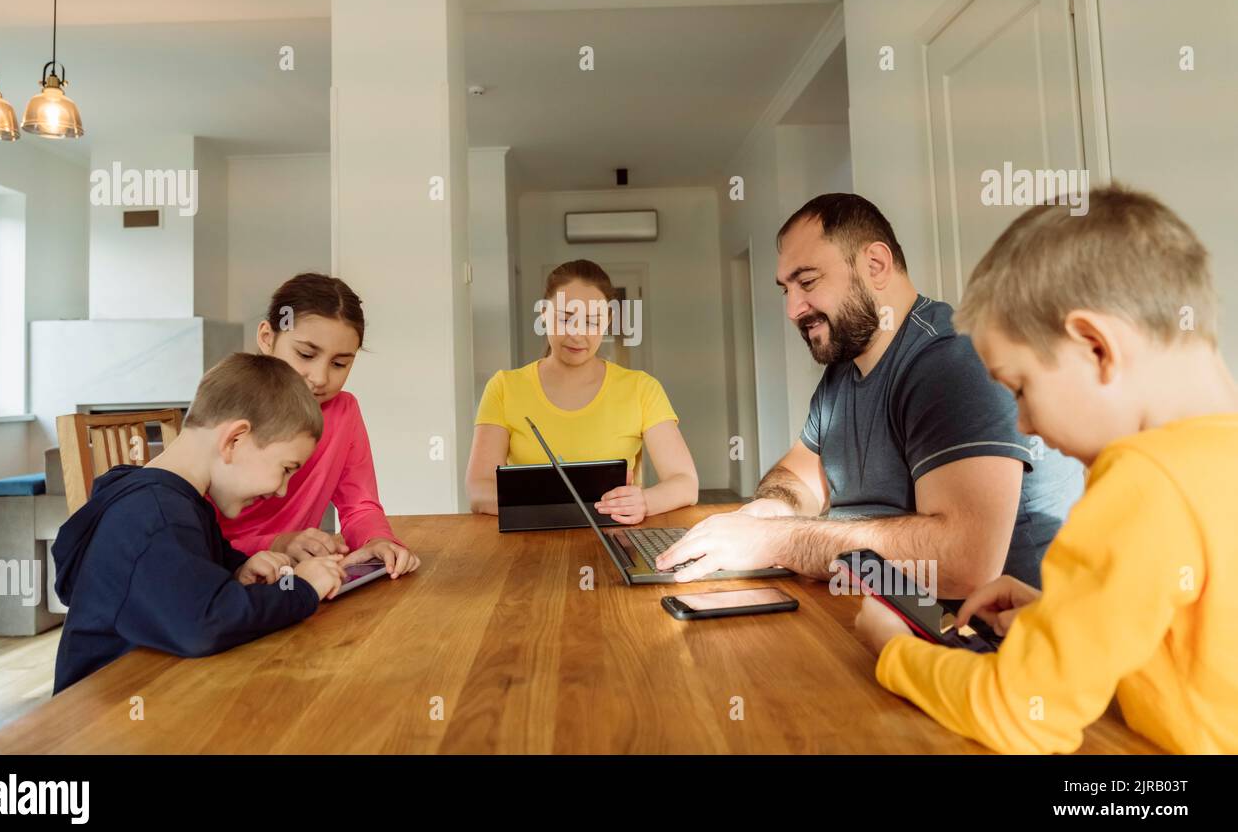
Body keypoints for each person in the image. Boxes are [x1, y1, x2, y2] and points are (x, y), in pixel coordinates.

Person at [854, 184, 1238, 754]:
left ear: (1096, 347)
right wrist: (1058, 613)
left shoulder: (1143, 479)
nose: (1026, 425)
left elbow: (1022, 715)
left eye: (1019, 388)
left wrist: (897, 653)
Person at [656, 194, 1084, 596]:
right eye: (786, 289)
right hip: (885, 610)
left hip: (993, 643)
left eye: (807, 281)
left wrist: (776, 541)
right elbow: (799, 477)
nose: (792, 309)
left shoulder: (952, 362)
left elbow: (963, 564)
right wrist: (768, 511)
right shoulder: (845, 367)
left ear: (876, 265)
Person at [52, 353, 347, 693]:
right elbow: (203, 623)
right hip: (103, 718)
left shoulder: (175, 502)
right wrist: (302, 589)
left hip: (155, 686)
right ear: (234, 440)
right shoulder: (157, 515)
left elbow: (186, 583)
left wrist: (238, 572)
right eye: (286, 469)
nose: (281, 491)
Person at [217, 273, 419, 579]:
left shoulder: (344, 412)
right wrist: (276, 543)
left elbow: (360, 506)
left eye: (339, 364)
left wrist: (376, 540)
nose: (321, 378)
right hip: (224, 577)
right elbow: (192, 540)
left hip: (295, 578)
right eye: (306, 354)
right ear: (267, 338)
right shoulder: (224, 411)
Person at [466, 259, 698, 524]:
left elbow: (686, 483)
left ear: (608, 320)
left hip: (614, 535)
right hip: (528, 540)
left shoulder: (642, 389)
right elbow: (478, 490)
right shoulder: (504, 387)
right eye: (565, 318)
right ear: (543, 314)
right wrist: (557, 506)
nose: (577, 334)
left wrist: (644, 502)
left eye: (591, 321)